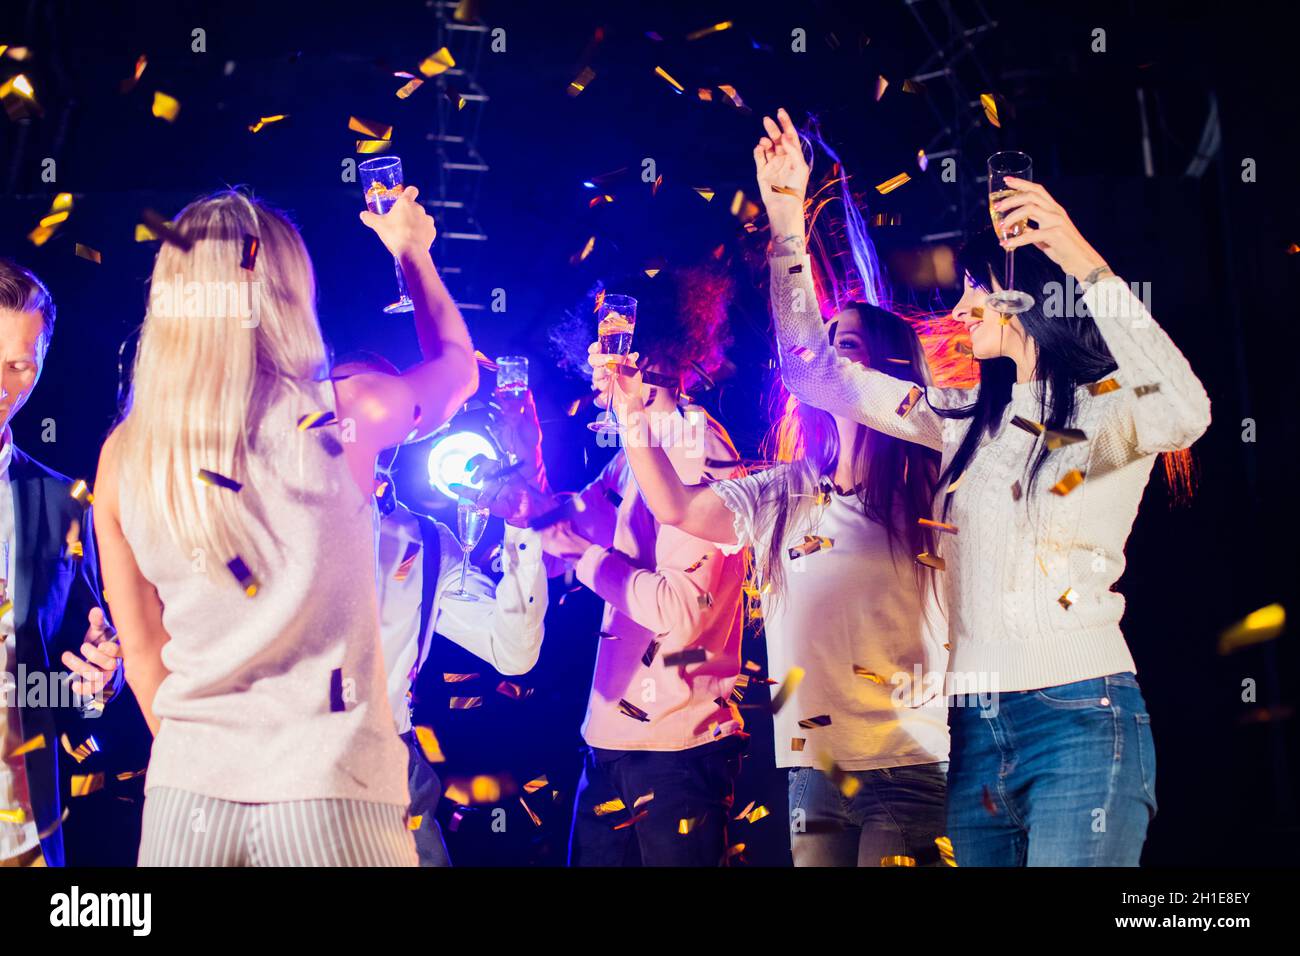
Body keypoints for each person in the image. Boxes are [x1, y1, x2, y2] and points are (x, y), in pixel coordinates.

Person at [755, 108, 1211, 866]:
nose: (960, 307)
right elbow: (811, 371)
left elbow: (1188, 410)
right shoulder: (959, 418)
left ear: (1028, 300)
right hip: (973, 734)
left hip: (1080, 719)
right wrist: (785, 229)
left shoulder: (1110, 415)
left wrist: (1070, 249)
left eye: (977, 290)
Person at [93, 185, 479, 866]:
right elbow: (457, 370)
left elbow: (147, 656)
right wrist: (413, 255)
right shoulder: (348, 412)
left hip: (186, 806)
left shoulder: (125, 455)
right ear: (287, 294)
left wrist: (211, 762)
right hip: (332, 797)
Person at [599, 296, 952, 866]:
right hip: (813, 767)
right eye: (826, 339)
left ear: (892, 371)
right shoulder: (782, 490)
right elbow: (677, 509)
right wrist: (631, 415)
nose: (830, 354)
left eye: (849, 343)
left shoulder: (933, 488)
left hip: (906, 760)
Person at [528, 270, 749, 866]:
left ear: (649, 351)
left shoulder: (698, 445)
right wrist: (523, 464)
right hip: (608, 743)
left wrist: (580, 555)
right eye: (595, 347)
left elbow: (678, 612)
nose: (596, 363)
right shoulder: (632, 457)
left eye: (610, 346)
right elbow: (560, 530)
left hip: (678, 748)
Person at [368, 379, 549, 867]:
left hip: (393, 770)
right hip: (287, 763)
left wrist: (518, 520)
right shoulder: (281, 520)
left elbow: (512, 653)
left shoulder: (427, 541)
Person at [0, 259, 124, 868]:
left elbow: (80, 677)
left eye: (20, 365)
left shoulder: (63, 502)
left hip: (20, 834)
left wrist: (97, 677)